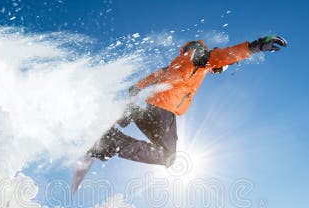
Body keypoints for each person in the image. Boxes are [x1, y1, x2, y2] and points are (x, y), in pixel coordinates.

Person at [87, 35, 288, 167]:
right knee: (168, 157)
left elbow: (155, 76)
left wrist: (136, 89)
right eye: (218, 69)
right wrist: (257, 46)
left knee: (143, 118)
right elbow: (226, 55)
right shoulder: (204, 58)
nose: (216, 71)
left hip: (151, 105)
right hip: (164, 109)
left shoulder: (180, 61)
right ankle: (112, 141)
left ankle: (128, 115)